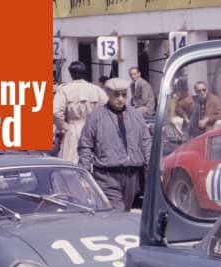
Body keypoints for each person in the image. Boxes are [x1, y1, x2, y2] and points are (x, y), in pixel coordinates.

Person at [77, 77, 152, 211]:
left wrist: (151, 164)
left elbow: (146, 141)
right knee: (117, 211)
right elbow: (85, 146)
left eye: (124, 95)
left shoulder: (136, 115)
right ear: (108, 94)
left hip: (131, 176)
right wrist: (84, 174)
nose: (121, 99)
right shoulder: (96, 117)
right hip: (107, 176)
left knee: (125, 212)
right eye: (116, 95)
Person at [53, 61, 109, 164]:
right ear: (85, 73)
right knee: (94, 162)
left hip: (73, 129)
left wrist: (64, 126)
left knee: (72, 163)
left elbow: (56, 112)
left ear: (71, 74)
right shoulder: (96, 89)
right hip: (94, 130)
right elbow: (107, 109)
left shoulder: (64, 90)